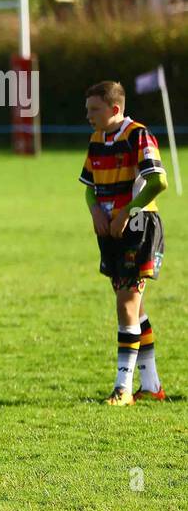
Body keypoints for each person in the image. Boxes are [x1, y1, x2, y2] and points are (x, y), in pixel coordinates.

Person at [80, 80, 168, 406]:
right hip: (110, 232)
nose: (88, 115)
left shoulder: (137, 135)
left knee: (126, 305)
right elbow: (89, 186)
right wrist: (95, 212)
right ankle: (152, 384)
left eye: (94, 110)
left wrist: (127, 212)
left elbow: (159, 180)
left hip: (138, 227)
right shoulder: (97, 139)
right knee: (134, 307)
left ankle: (123, 388)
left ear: (114, 109)